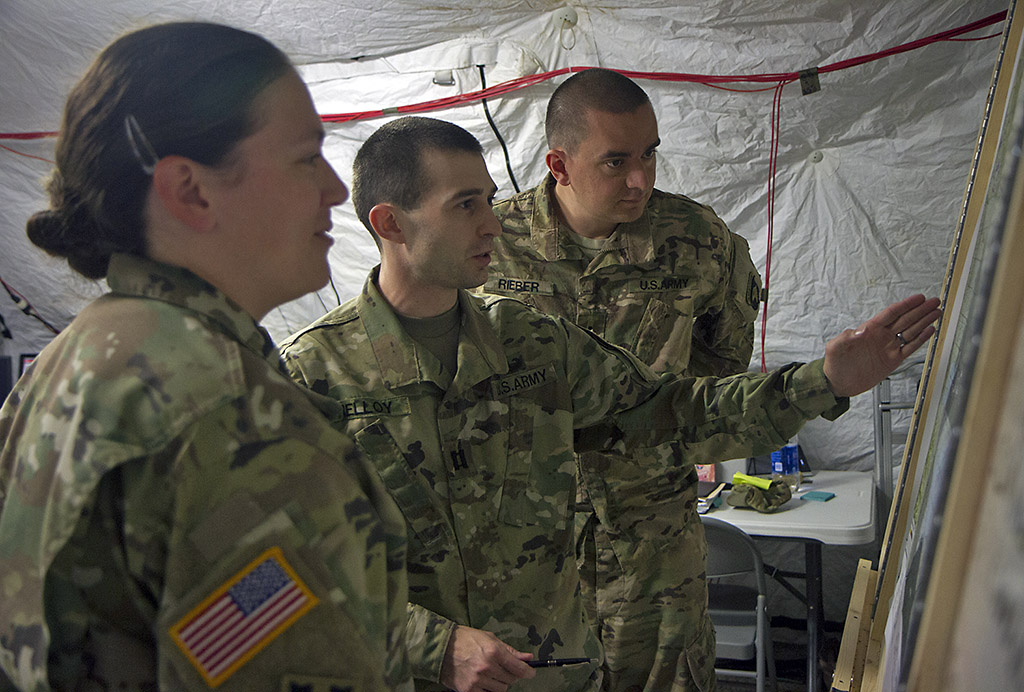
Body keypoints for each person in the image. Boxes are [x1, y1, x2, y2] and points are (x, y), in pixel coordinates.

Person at [279, 115, 940, 692]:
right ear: (390, 223)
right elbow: (281, 573)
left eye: (486, 199)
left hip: (554, 672)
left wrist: (821, 381)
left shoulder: (532, 342)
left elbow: (672, 415)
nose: (490, 223)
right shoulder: (313, 378)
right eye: (464, 206)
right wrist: (436, 646)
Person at [0, 22, 411, 691]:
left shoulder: (78, 358)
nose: (336, 190)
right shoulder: (234, 422)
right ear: (190, 190)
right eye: (307, 157)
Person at [483, 67, 761, 691]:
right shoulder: (491, 247)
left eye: (650, 155)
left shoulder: (696, 241)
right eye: (616, 162)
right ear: (559, 164)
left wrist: (662, 439)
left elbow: (723, 364)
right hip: (531, 550)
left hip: (654, 548)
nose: (641, 179)